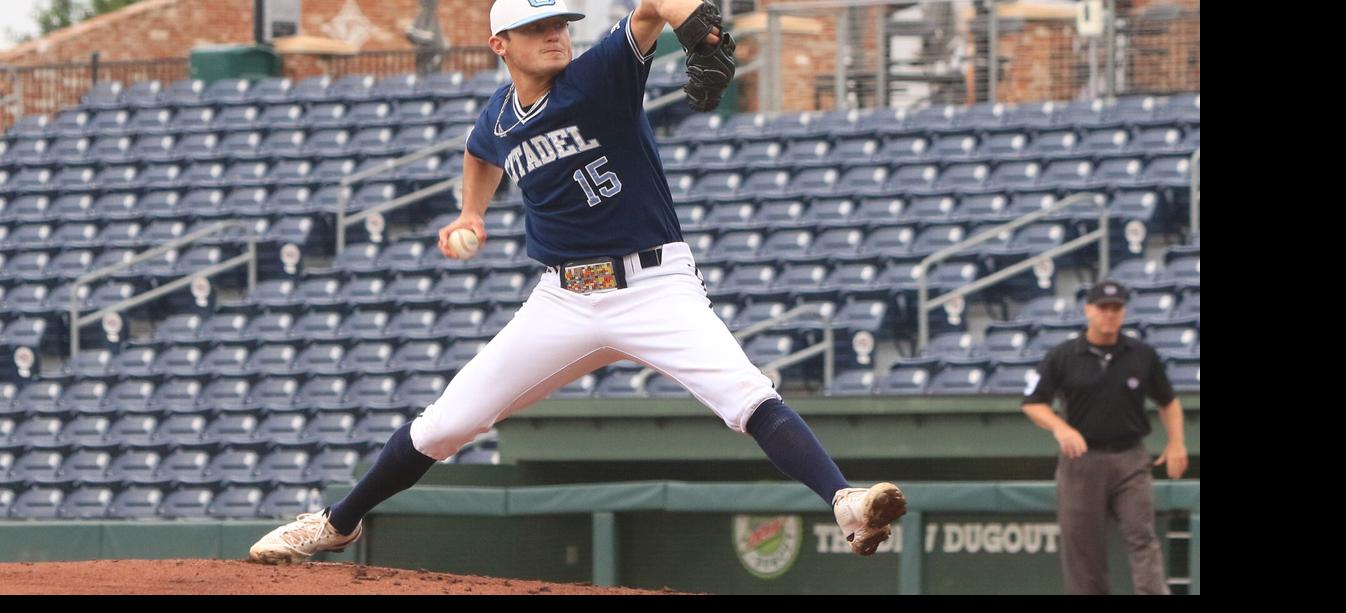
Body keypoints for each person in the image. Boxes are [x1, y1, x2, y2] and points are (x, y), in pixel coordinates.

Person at [248, 0, 906, 565]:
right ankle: (337, 524)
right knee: (446, 424)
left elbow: (651, 6)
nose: (556, 33)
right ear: (501, 45)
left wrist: (701, 35)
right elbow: (481, 153)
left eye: (560, 21)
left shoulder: (599, 75)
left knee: (745, 393)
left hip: (654, 285)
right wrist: (471, 212)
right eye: (538, 28)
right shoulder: (500, 115)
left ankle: (845, 501)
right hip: (563, 299)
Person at [1019, 278, 1188, 595]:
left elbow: (1168, 401)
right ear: (1088, 310)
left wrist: (1176, 442)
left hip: (1130, 457)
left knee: (1142, 536)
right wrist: (1061, 427)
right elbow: (1032, 402)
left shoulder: (1141, 354)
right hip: (1082, 460)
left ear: (1123, 312)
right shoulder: (1064, 355)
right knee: (1083, 547)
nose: (1110, 314)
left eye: (1117, 308)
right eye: (1104, 308)